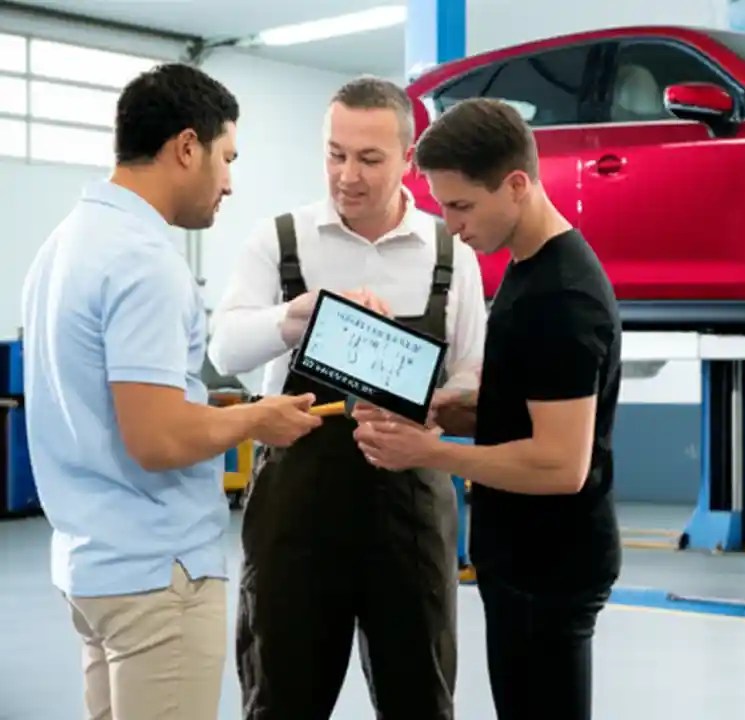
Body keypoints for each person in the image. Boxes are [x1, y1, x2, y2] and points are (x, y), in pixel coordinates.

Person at [19, 63, 323, 720]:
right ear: (188, 146)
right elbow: (156, 439)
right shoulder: (146, 260)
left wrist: (217, 410)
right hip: (158, 575)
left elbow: (109, 403)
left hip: (93, 566)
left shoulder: (67, 244)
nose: (229, 183)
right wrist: (255, 421)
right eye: (226, 158)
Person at [206, 76, 487, 720]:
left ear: (407, 161)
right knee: (282, 697)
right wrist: (293, 318)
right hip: (296, 512)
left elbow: (472, 376)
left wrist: (424, 400)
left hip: (412, 513)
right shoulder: (280, 241)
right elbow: (222, 351)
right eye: (335, 154)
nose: (347, 176)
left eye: (368, 159)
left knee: (420, 696)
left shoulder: (450, 254)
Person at [352, 97, 624, 720]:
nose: (450, 225)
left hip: (548, 570)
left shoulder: (561, 298)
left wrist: (429, 452)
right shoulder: (531, 271)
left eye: (461, 206)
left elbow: (560, 464)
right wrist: (450, 409)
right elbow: (529, 410)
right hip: (523, 561)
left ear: (517, 184)